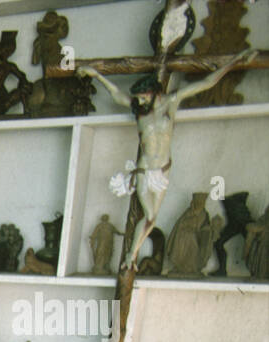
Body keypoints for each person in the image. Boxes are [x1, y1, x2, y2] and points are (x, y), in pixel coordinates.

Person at [78, 49, 255, 267]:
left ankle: (130, 255)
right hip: (144, 168)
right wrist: (95, 74)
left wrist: (234, 61)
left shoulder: (171, 102)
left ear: (154, 93)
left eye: (144, 97)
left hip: (162, 170)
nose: (140, 101)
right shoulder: (138, 109)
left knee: (151, 220)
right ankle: (131, 255)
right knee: (149, 215)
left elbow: (207, 83)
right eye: (139, 98)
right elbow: (116, 93)